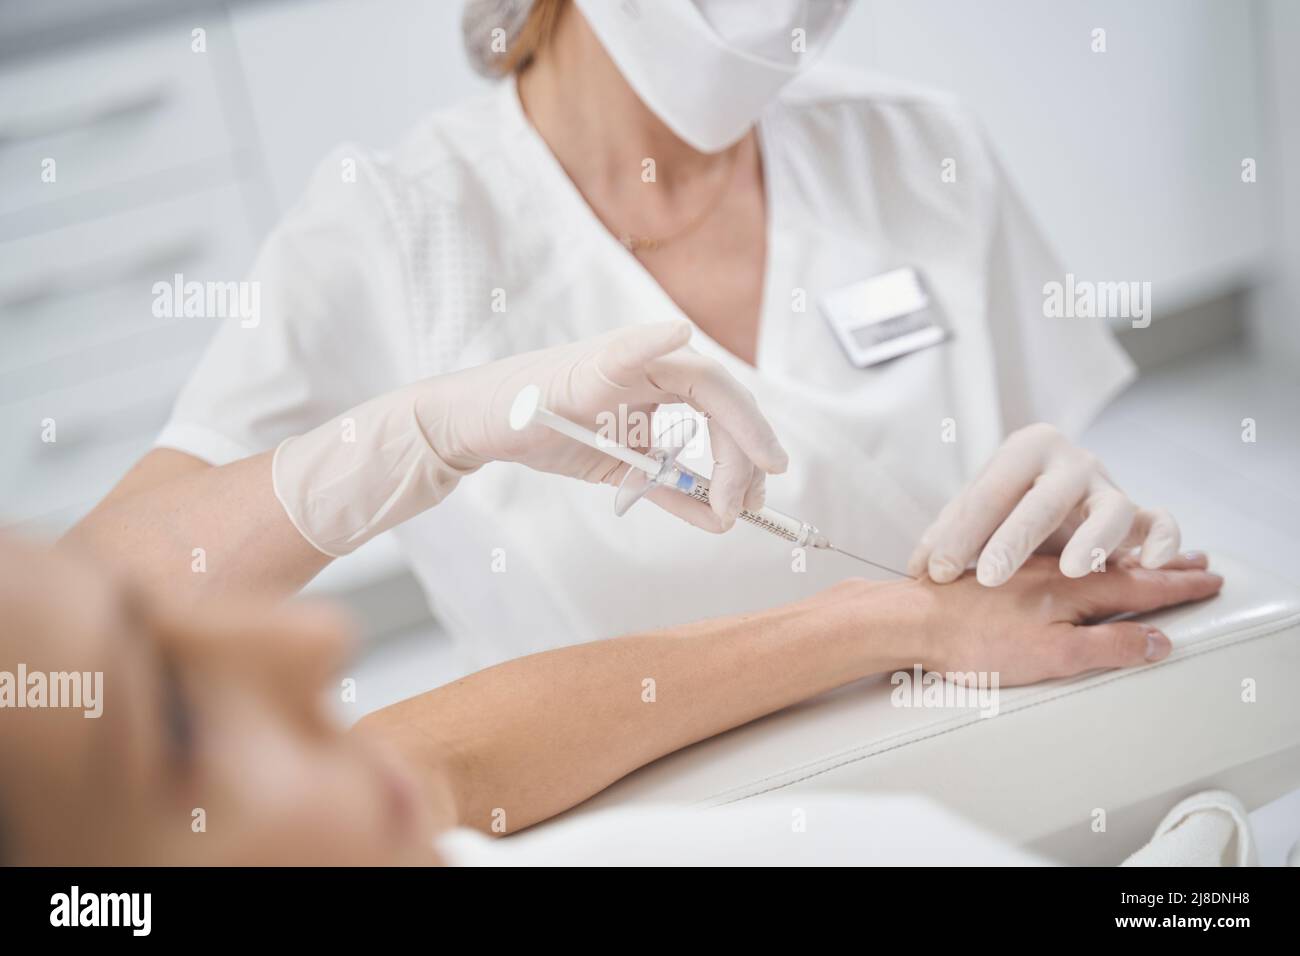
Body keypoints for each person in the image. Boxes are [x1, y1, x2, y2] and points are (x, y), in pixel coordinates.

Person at [68, 0, 1180, 669]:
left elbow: (1039, 551)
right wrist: (420, 434)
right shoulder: (393, 232)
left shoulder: (916, 150)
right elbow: (73, 630)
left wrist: (1082, 524)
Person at [0, 534, 1220, 864]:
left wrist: (898, 617)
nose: (316, 637)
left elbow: (456, 758)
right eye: (175, 719)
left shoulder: (360, 826)